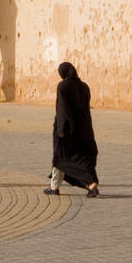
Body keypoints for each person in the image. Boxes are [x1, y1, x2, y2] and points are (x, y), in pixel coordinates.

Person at [45, 62, 99, 197]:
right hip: (84, 129)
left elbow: (62, 108)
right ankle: (54, 186)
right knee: (65, 157)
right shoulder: (84, 86)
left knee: (62, 155)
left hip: (67, 130)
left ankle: (92, 183)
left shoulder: (63, 86)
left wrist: (61, 129)